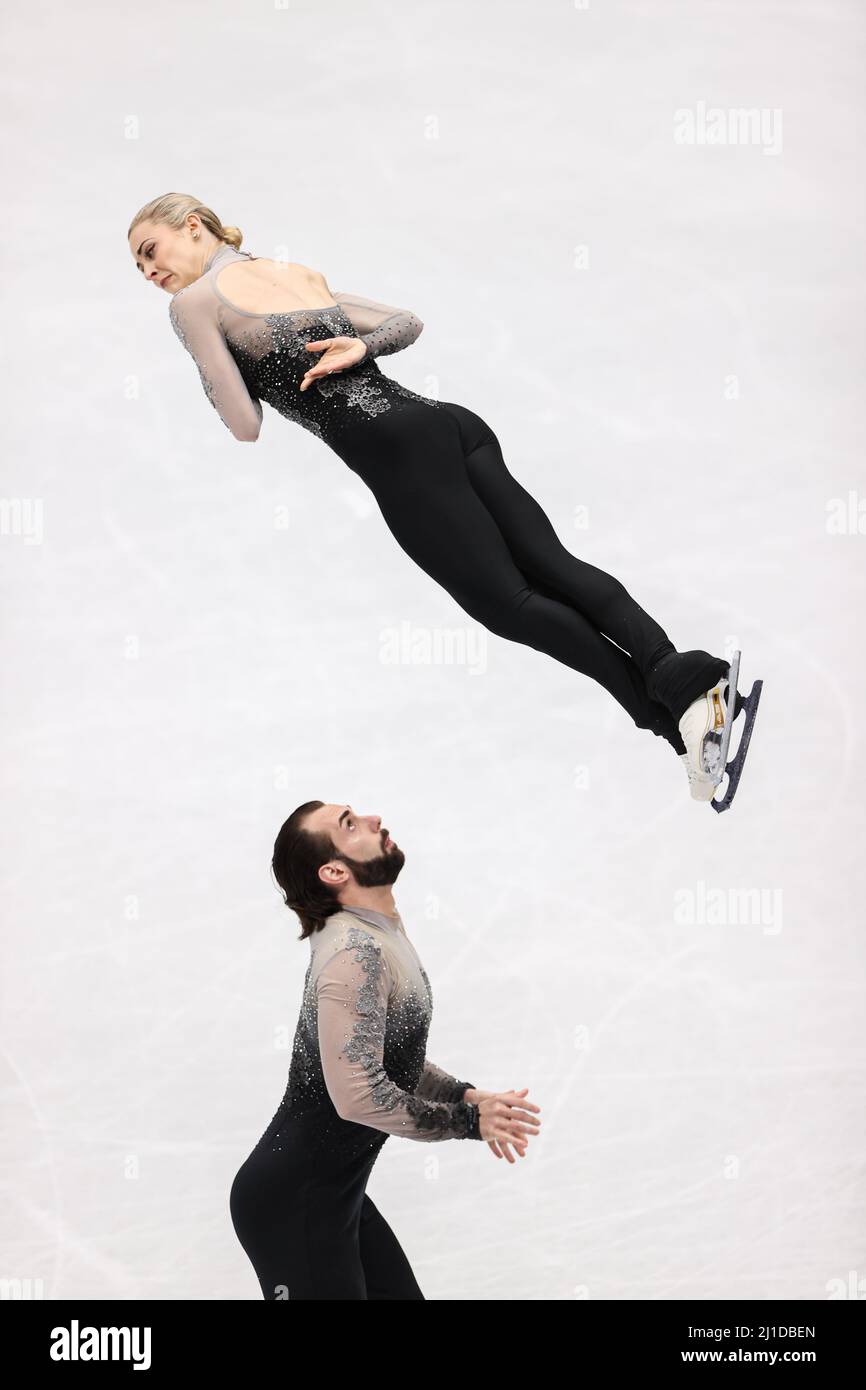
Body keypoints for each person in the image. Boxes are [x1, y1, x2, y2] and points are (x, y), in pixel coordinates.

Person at [128, 192, 759, 803]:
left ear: (192, 226)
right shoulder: (296, 273)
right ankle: (683, 684)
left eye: (151, 249)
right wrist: (362, 346)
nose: (150, 271)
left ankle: (676, 715)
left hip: (397, 454)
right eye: (138, 266)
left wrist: (214, 363)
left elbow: (243, 423)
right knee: (553, 566)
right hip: (450, 424)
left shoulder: (194, 304)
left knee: (511, 605)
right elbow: (406, 322)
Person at [228, 800, 541, 1300]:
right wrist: (466, 1123)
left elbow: (384, 1059)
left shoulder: (376, 933)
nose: (373, 820)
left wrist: (466, 1097)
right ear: (333, 870)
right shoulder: (354, 954)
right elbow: (357, 1095)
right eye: (349, 825)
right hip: (292, 1207)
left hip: (334, 1198)